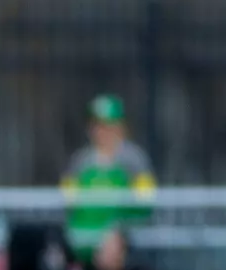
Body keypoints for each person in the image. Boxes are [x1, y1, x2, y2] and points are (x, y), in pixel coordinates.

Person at [61, 94, 157, 261]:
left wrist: (117, 230)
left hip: (122, 240)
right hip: (83, 239)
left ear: (121, 127)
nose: (101, 132)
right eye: (97, 125)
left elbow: (145, 202)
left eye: (107, 125)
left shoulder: (134, 160)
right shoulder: (81, 161)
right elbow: (68, 198)